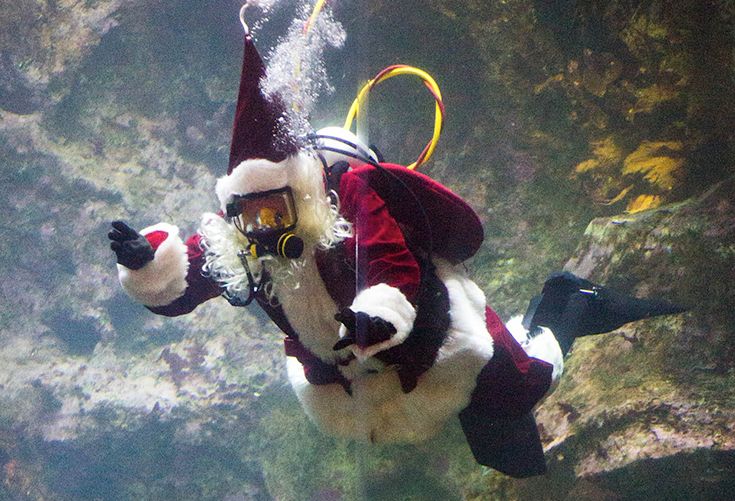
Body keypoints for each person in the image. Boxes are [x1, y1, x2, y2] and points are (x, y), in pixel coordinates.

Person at [109, 32, 683, 478]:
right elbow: (182, 287)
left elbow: (392, 267)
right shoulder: (243, 239)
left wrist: (375, 314)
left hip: (442, 337)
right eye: (251, 215)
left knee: (525, 388)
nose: (264, 229)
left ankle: (565, 303)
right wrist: (146, 265)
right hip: (350, 375)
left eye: (275, 212)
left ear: (307, 193)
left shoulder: (357, 200)